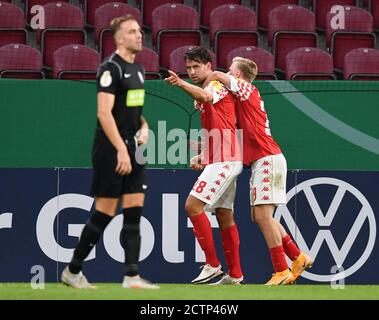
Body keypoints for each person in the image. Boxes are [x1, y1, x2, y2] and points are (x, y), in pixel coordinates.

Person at [61, 15, 159, 289]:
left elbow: (135, 112)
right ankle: (73, 270)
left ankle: (131, 276)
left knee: (134, 210)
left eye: (140, 31)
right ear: (118, 38)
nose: (139, 35)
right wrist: (121, 150)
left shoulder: (139, 69)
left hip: (133, 146)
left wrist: (144, 127)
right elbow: (104, 114)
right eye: (132, 32)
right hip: (109, 147)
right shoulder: (110, 68)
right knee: (105, 211)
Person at [204, 57, 314, 285]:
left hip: (268, 158)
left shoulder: (246, 88)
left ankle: (281, 270)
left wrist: (211, 80)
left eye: (231, 70)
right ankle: (297, 256)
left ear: (238, 76)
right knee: (259, 216)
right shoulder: (241, 98)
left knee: (263, 216)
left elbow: (216, 75)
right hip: (262, 160)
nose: (227, 72)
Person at [165, 47, 244, 285]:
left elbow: (205, 97)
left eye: (195, 67)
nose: (191, 72)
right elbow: (217, 130)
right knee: (223, 214)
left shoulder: (216, 84)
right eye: (188, 68)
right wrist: (203, 155)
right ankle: (235, 275)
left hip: (226, 159)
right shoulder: (205, 90)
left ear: (209, 66)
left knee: (192, 206)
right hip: (224, 156)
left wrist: (179, 84)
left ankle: (212, 264)